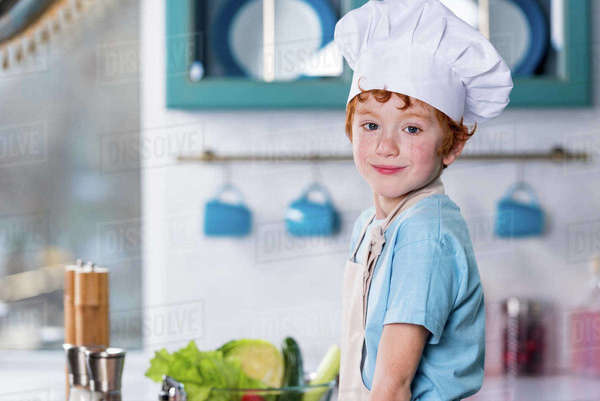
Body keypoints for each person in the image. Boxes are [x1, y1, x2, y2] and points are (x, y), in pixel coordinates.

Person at [333, 1, 513, 401]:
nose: (385, 145)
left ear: (452, 144)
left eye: (412, 128)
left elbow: (393, 387)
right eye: (370, 124)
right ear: (350, 130)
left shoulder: (424, 237)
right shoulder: (373, 225)